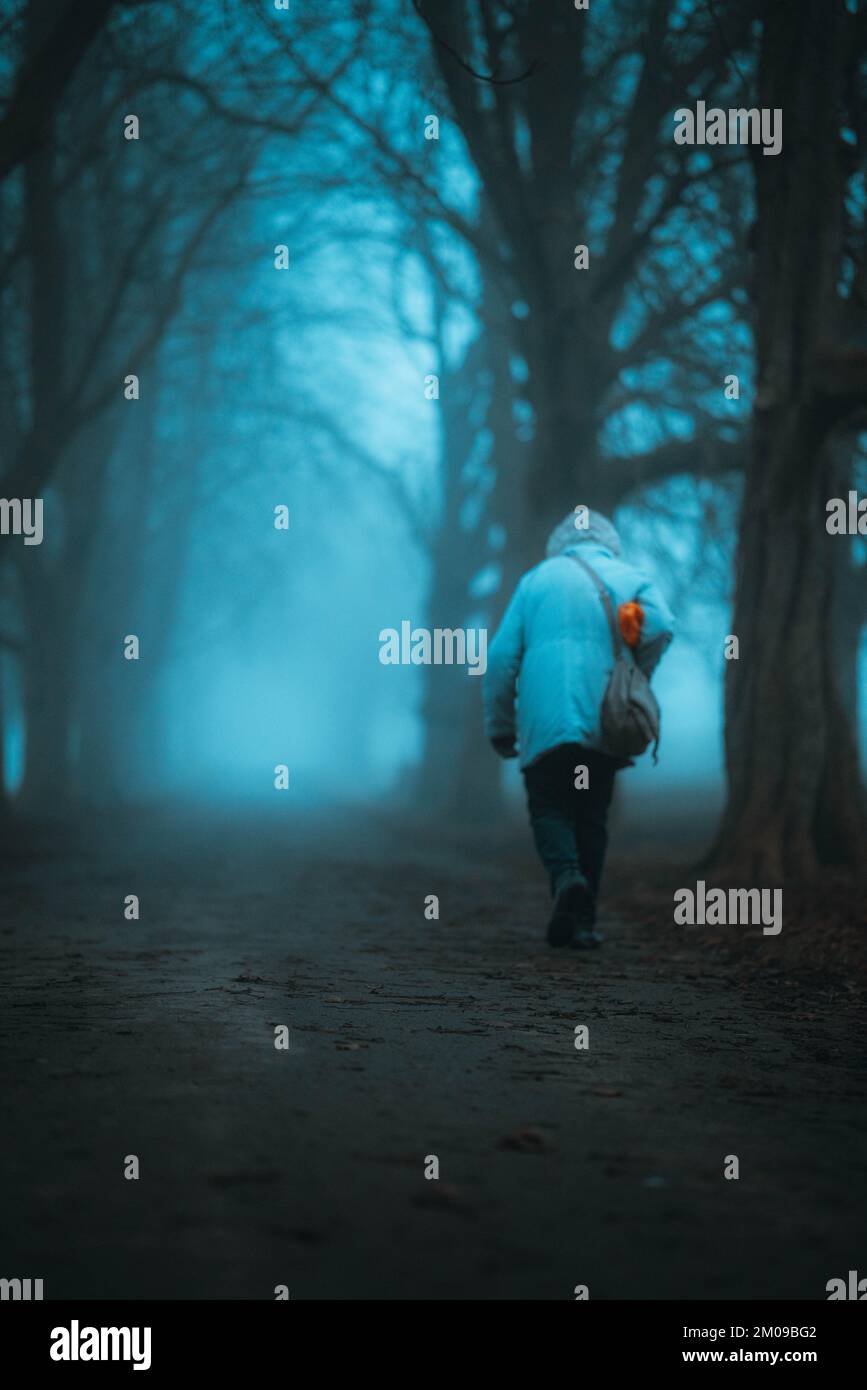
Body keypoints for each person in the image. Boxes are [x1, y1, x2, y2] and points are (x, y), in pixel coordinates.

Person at [483, 509, 675, 948]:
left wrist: (500, 724)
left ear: (559, 542)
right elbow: (662, 626)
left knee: (549, 805)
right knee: (592, 815)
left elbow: (499, 659)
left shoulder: (536, 581)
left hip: (545, 720)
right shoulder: (629, 578)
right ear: (609, 542)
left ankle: (567, 878)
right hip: (604, 714)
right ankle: (584, 924)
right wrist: (635, 671)